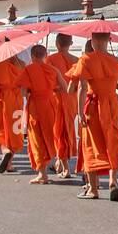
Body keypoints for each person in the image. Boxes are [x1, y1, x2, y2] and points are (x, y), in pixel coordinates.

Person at [65, 31, 118, 200]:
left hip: (92, 105)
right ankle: (113, 181)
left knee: (91, 144)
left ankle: (93, 189)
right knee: (112, 140)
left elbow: (82, 88)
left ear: (92, 41)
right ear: (109, 40)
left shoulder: (86, 60)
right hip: (111, 105)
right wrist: (109, 82)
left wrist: (79, 112)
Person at [18, 44, 67, 184]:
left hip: (35, 105)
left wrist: (31, 91)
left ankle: (42, 173)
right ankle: (56, 160)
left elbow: (23, 92)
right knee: (49, 134)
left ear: (32, 56)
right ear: (45, 56)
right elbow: (64, 88)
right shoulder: (53, 70)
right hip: (50, 105)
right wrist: (51, 89)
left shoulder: (28, 69)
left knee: (36, 138)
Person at [48, 33, 80, 179]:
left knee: (60, 133)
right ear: (71, 43)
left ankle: (66, 168)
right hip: (72, 99)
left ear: (56, 43)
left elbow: (48, 81)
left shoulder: (51, 59)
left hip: (58, 99)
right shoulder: (77, 60)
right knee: (66, 130)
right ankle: (60, 162)